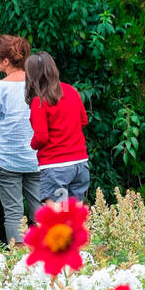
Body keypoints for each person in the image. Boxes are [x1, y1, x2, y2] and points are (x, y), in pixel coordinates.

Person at [0, 35, 40, 244]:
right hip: (35, 157)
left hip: (7, 158)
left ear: (5, 60)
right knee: (40, 210)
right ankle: (45, 255)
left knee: (13, 213)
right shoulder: (37, 83)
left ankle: (17, 258)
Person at [25, 51, 90, 205]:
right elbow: (83, 121)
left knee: (59, 219)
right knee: (75, 218)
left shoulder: (39, 101)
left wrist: (32, 144)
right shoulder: (71, 91)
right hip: (80, 163)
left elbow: (41, 137)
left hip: (56, 167)